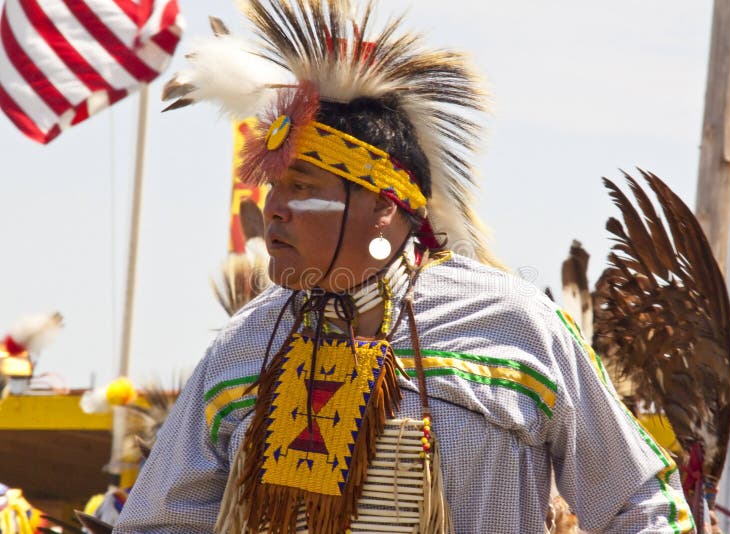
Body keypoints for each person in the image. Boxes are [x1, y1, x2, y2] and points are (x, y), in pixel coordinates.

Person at [115, 1, 694, 532]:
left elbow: (639, 501)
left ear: (382, 209)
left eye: (302, 187)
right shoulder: (247, 343)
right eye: (273, 187)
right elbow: (158, 520)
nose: (275, 209)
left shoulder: (514, 324)